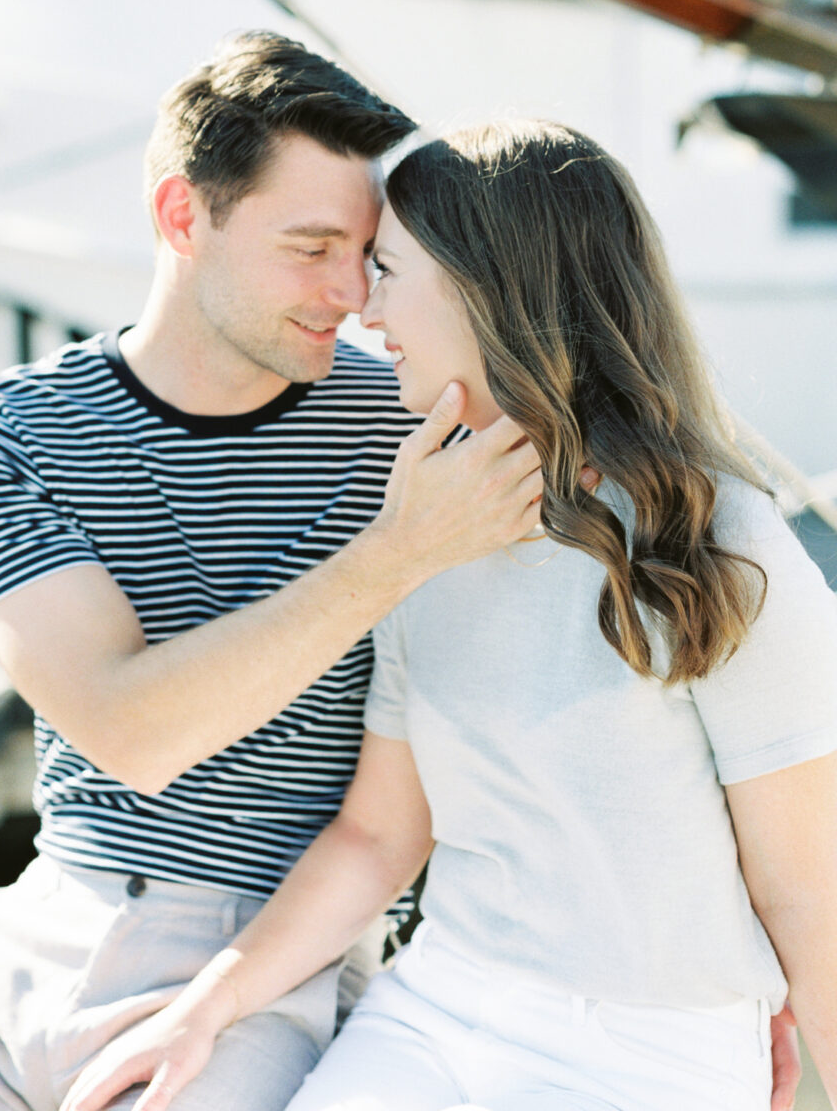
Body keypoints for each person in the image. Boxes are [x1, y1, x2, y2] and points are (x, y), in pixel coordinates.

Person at [0, 33, 548, 1111]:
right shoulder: (5, 434)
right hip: (31, 933)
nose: (353, 296)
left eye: (368, 255)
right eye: (311, 248)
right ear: (181, 217)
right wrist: (397, 553)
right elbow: (132, 730)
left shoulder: (410, 423)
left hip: (265, 958)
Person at [63, 119, 834, 1111]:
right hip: (436, 1005)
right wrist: (200, 1013)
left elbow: (813, 900)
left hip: (650, 1049)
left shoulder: (716, 541)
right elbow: (378, 839)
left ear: (486, 285)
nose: (363, 307)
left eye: (386, 270)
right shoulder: (424, 523)